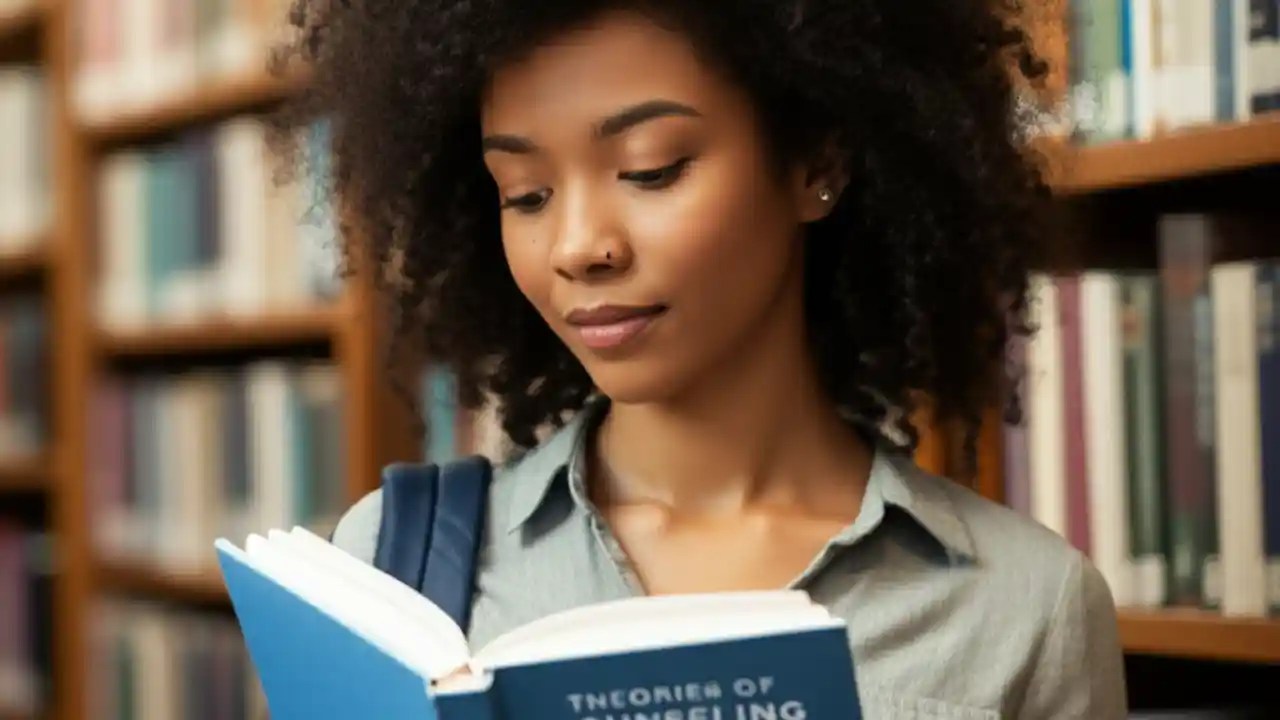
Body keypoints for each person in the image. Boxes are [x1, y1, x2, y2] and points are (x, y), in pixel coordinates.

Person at [268, 1, 1126, 717]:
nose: (578, 246)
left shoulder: (1029, 610)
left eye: (651, 169)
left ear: (815, 162)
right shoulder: (389, 568)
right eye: (525, 194)